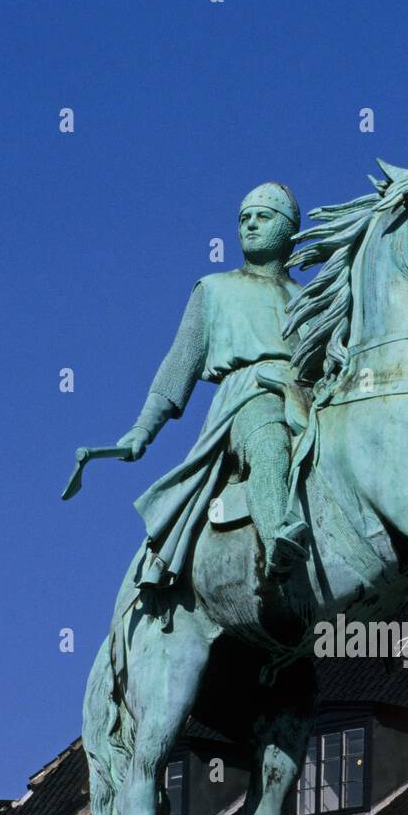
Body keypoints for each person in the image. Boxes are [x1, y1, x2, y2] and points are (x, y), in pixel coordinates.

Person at [116, 182, 310, 584]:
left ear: (289, 229)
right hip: (250, 396)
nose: (250, 225)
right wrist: (142, 428)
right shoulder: (215, 288)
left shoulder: (309, 298)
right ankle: (278, 541)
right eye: (244, 219)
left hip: (307, 397)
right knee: (269, 441)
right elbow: (178, 366)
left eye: (263, 216)